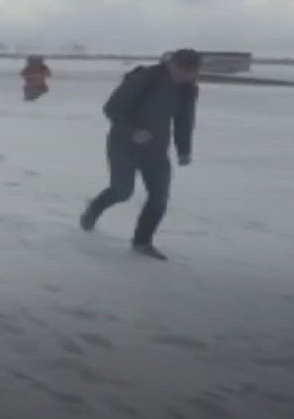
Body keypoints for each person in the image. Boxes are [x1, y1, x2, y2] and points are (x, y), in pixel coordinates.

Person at [79, 48, 202, 260]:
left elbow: (184, 120)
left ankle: (142, 242)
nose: (184, 77)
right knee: (122, 191)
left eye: (190, 73)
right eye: (181, 71)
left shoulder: (188, 89)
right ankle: (94, 208)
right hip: (123, 144)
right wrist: (133, 131)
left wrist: (184, 149)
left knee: (159, 197)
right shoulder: (145, 77)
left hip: (156, 149)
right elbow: (111, 108)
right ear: (171, 64)